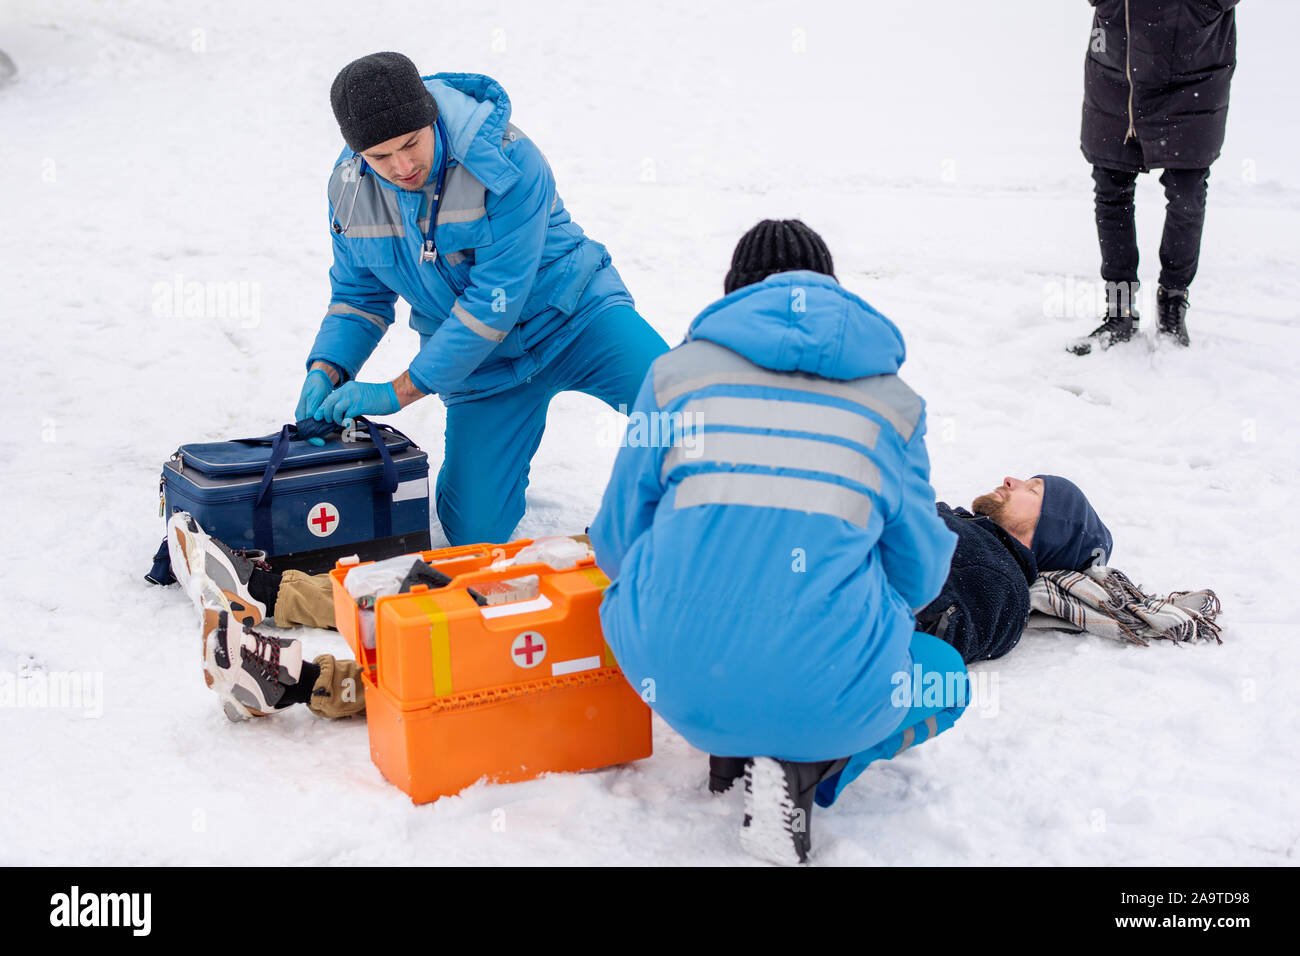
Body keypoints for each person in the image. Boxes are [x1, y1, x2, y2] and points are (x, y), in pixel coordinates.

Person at [587, 219, 966, 865]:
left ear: (735, 294)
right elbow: (919, 575)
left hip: (673, 677)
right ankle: (813, 767)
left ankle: (735, 732)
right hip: (824, 696)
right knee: (945, 678)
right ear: (834, 291)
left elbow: (618, 537)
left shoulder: (675, 377)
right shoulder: (892, 406)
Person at [299, 52, 668, 545]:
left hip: (576, 317)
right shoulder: (350, 192)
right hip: (482, 366)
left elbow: (496, 299)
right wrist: (327, 367)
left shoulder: (506, 158)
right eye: (381, 157)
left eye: (411, 143)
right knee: (474, 531)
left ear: (430, 116)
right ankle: (504, 466)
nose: (402, 166)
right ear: (356, 153)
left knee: (688, 414)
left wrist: (399, 391)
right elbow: (358, 295)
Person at [1070, 0, 1238, 354]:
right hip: (1119, 72)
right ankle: (1120, 310)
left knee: (1187, 194)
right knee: (1111, 187)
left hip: (1194, 71)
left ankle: (1173, 299)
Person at [920, 476, 1113, 663]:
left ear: (1050, 533)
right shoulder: (968, 527)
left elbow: (924, 630)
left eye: (1032, 489)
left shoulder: (1001, 580)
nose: (1009, 480)